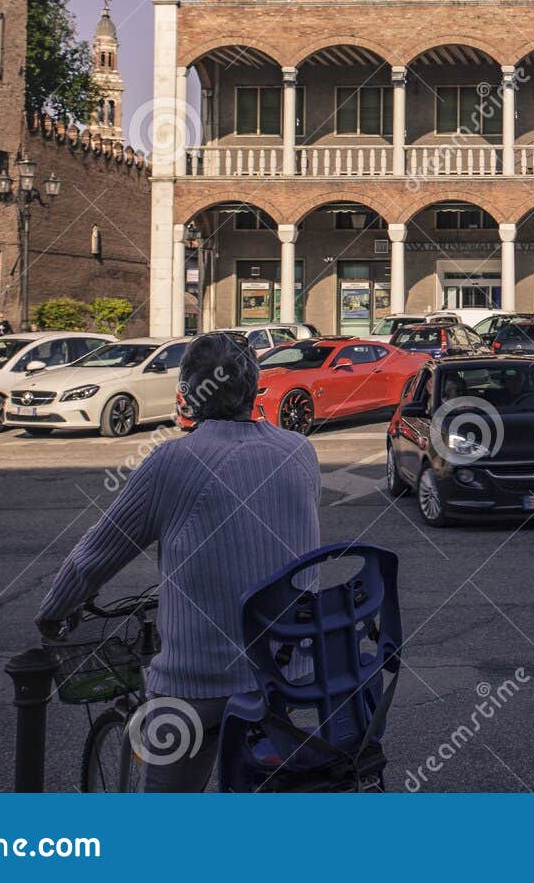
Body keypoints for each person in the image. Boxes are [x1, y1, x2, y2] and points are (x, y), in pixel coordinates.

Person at [36, 333, 321, 791]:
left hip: (199, 681)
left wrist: (53, 612)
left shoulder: (174, 459)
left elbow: (96, 555)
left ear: (188, 392)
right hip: (284, 674)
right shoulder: (299, 451)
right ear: (255, 388)